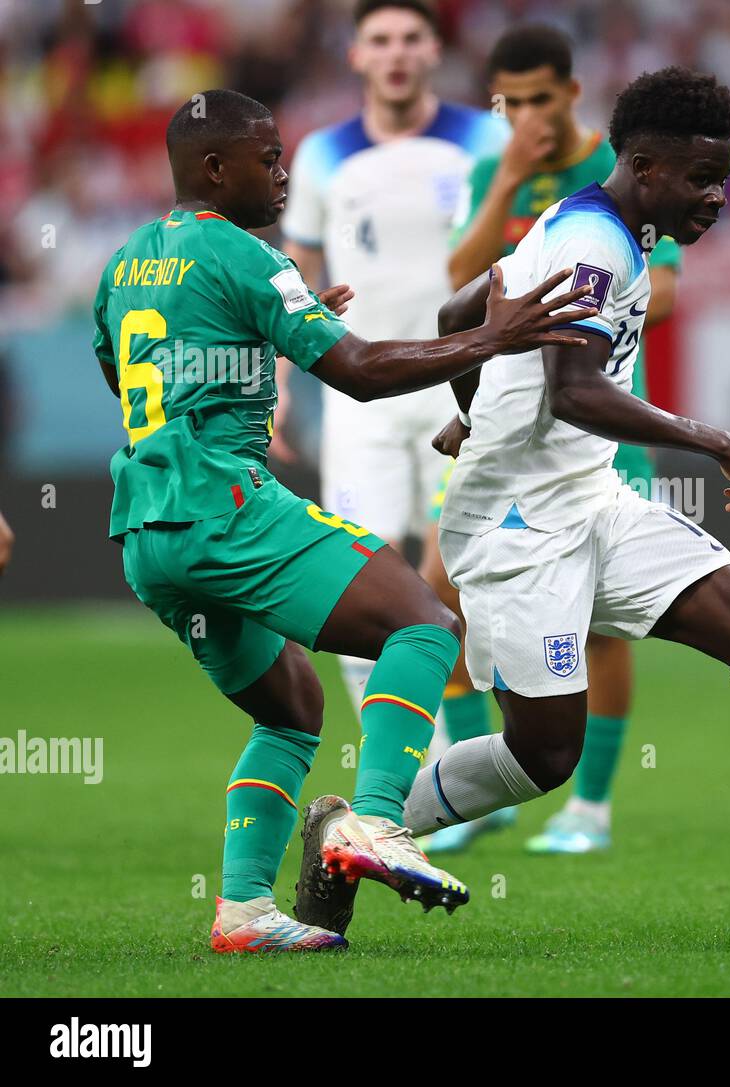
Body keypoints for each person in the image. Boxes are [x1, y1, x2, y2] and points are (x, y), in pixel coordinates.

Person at [301, 68, 730, 940]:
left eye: (723, 176)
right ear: (642, 163)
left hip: (589, 498)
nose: (716, 196)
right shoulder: (596, 243)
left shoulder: (593, 228)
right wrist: (716, 440)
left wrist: (473, 412)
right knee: (544, 754)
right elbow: (574, 390)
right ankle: (347, 827)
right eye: (701, 178)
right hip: (519, 528)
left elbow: (458, 309)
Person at [93, 88, 592, 953]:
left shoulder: (126, 262)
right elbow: (357, 371)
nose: (283, 173)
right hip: (225, 505)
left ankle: (245, 911)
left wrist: (250, 332)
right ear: (216, 168)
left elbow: (135, 371)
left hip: (147, 531)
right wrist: (490, 339)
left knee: (290, 709)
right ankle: (374, 819)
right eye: (268, 157)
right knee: (425, 623)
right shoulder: (246, 252)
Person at [420, 23, 683, 856]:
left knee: (602, 623)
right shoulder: (491, 174)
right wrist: (505, 180)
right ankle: (485, 792)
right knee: (440, 590)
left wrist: (572, 308)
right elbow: (458, 281)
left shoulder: (626, 173)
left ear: (571, 95)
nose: (527, 113)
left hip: (594, 421)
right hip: (506, 423)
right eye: (511, 102)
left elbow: (665, 291)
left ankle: (590, 807)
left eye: (541, 97)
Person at [275, 0, 507, 725]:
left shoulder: (487, 140)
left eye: (411, 38)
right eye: (380, 40)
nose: (396, 53)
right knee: (355, 583)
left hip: (461, 388)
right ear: (356, 55)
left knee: (464, 578)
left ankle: (464, 768)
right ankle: (414, 783)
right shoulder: (320, 154)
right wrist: (279, 383)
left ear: (435, 50)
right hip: (359, 394)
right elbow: (297, 274)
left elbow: (517, 259)